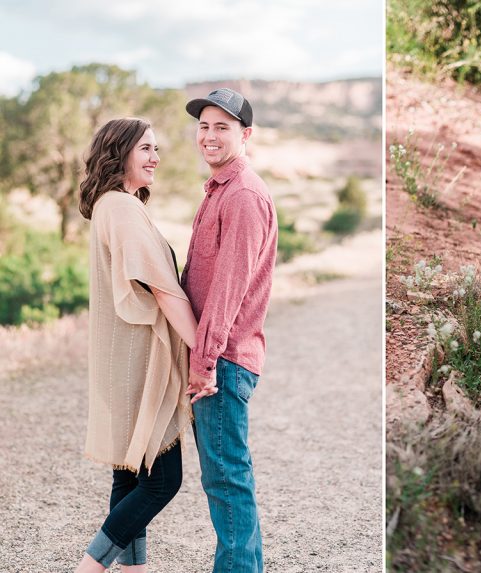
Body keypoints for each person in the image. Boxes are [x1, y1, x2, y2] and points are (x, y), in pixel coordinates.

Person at [75, 118, 213, 573]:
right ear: (120, 153)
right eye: (146, 149)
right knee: (161, 482)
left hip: (124, 360)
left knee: (131, 475)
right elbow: (163, 290)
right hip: (137, 363)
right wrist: (204, 354)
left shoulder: (114, 205)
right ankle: (88, 568)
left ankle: (133, 570)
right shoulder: (120, 207)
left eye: (157, 149)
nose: (155, 158)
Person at [182, 88, 278, 573]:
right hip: (217, 359)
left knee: (226, 480)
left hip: (222, 363)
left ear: (246, 135)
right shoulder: (220, 189)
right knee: (224, 478)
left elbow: (228, 291)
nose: (210, 136)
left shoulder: (242, 195)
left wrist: (204, 364)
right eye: (204, 126)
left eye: (222, 127)